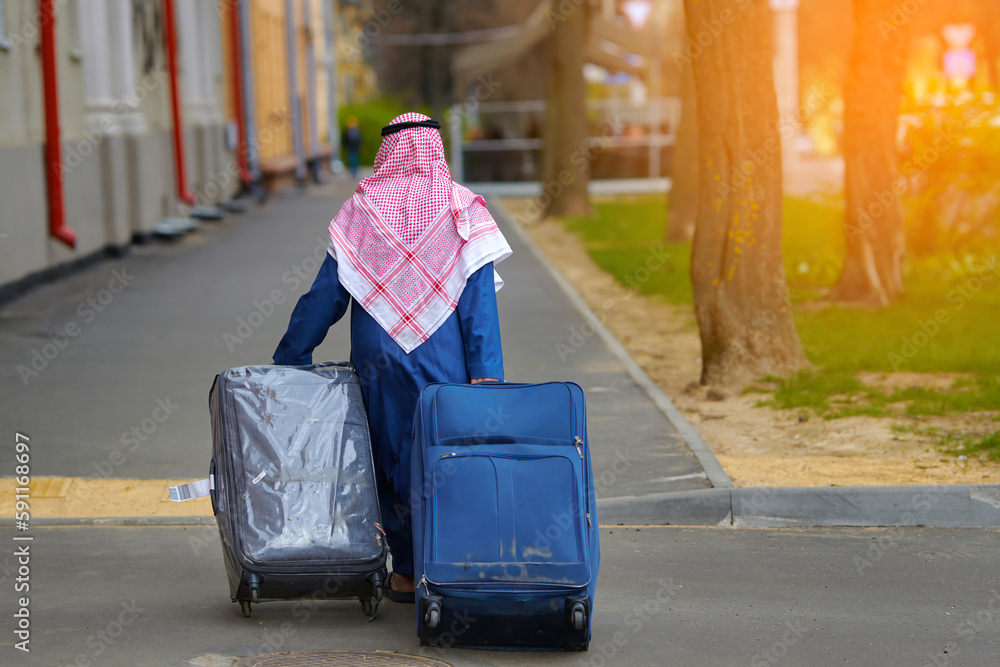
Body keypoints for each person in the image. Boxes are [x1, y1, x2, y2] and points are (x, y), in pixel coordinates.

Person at [273, 112, 512, 602]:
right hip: (445, 362)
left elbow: (325, 297)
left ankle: (403, 571)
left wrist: (292, 357)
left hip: (378, 362)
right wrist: (488, 380)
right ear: (435, 148)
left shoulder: (362, 210)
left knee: (385, 459)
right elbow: (480, 310)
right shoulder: (462, 208)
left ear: (387, 151)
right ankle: (444, 568)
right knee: (444, 458)